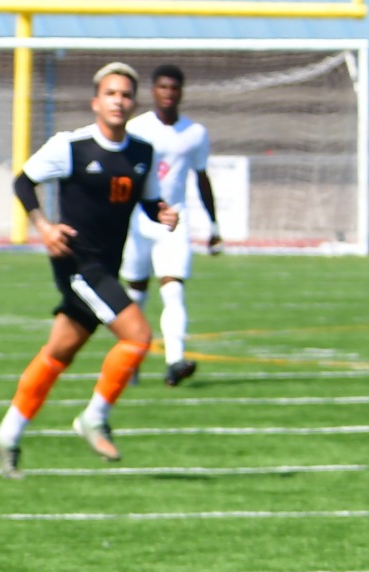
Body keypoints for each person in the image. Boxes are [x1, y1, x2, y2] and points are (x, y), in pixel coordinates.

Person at [0, 63, 179, 480]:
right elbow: (22, 183)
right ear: (96, 101)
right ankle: (94, 417)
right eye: (111, 93)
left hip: (106, 267)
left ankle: (7, 432)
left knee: (59, 353)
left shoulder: (142, 152)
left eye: (126, 95)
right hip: (76, 263)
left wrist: (161, 212)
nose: (118, 101)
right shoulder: (70, 147)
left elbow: (145, 200)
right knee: (139, 336)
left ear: (133, 103)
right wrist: (44, 226)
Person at [123, 64, 220, 387]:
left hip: (174, 220)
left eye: (174, 88)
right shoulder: (136, 129)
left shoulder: (195, 133)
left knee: (173, 289)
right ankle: (130, 360)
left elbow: (202, 178)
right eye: (162, 87)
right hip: (138, 219)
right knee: (135, 293)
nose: (168, 93)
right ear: (154, 91)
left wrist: (214, 225)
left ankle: (174, 361)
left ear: (181, 92)